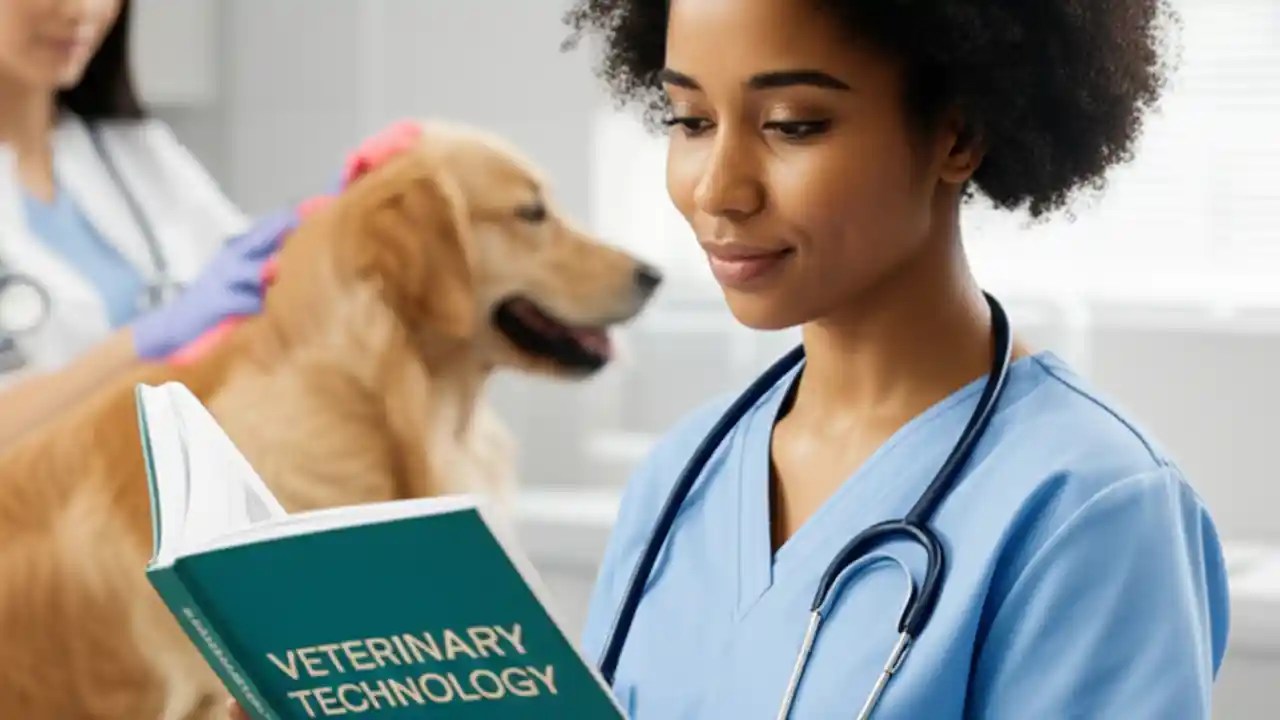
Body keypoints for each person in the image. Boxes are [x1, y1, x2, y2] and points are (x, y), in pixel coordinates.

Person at [229, 0, 1230, 718]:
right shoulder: (686, 475)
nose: (717, 188)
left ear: (955, 133)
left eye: (793, 125)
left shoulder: (1089, 508)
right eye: (688, 120)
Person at [0, 0, 370, 450]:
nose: (82, 9)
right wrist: (143, 344)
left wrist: (338, 221)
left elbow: (253, 275)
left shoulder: (134, 152)